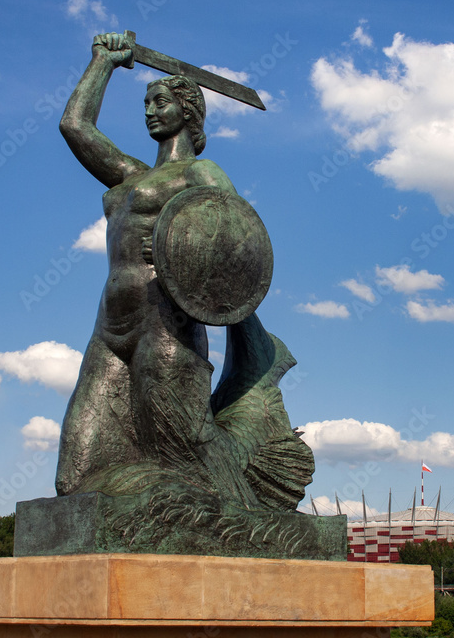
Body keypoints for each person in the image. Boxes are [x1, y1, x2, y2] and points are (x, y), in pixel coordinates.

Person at [54, 33, 312, 511]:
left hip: (166, 332)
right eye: (147, 103)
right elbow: (75, 126)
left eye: (160, 101)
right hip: (111, 330)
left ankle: (241, 511)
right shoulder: (130, 174)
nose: (150, 110)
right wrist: (103, 63)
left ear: (188, 112)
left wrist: (185, 253)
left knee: (188, 464)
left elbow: (234, 248)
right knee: (75, 477)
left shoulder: (204, 176)